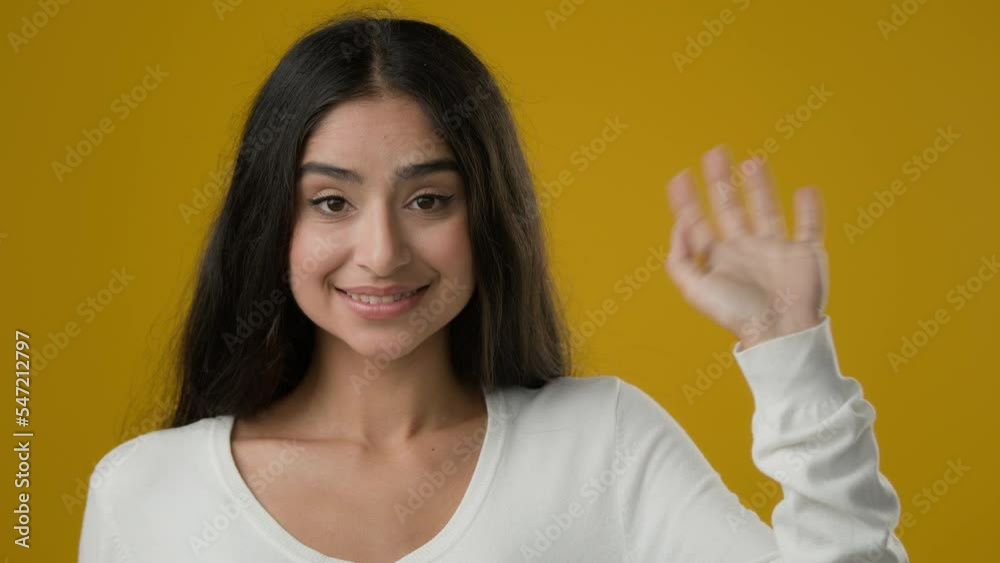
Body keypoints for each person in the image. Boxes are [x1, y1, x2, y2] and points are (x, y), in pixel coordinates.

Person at [78, 12, 909, 563]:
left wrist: (786, 350)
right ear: (273, 224)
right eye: (331, 201)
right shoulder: (144, 491)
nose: (382, 250)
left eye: (428, 199)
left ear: (488, 217)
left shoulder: (602, 444)